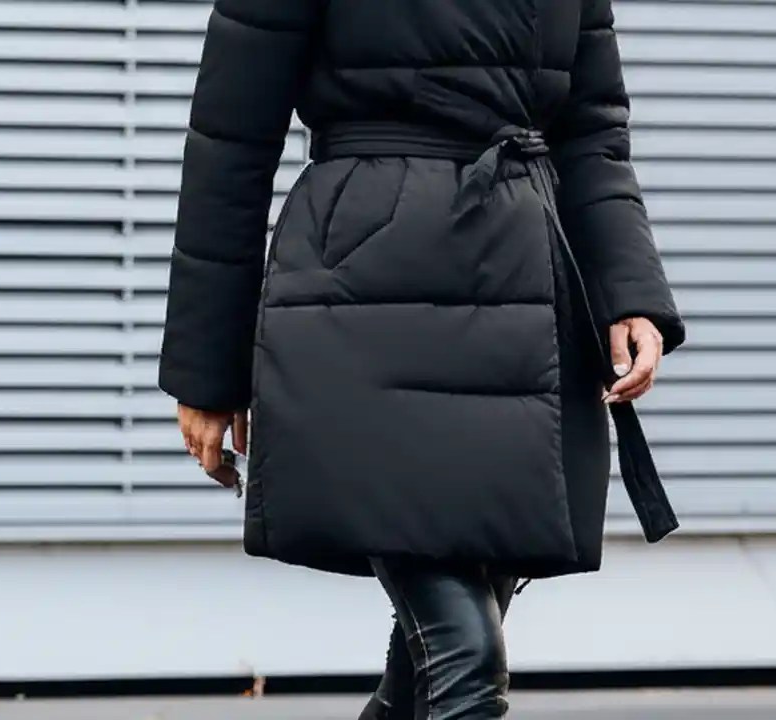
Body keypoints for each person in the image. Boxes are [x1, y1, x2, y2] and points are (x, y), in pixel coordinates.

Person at [159, 1, 687, 718]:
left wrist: (630, 295)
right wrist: (208, 370)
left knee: (426, 670)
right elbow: (231, 141)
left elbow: (592, 129)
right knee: (466, 655)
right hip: (362, 296)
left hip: (522, 306)